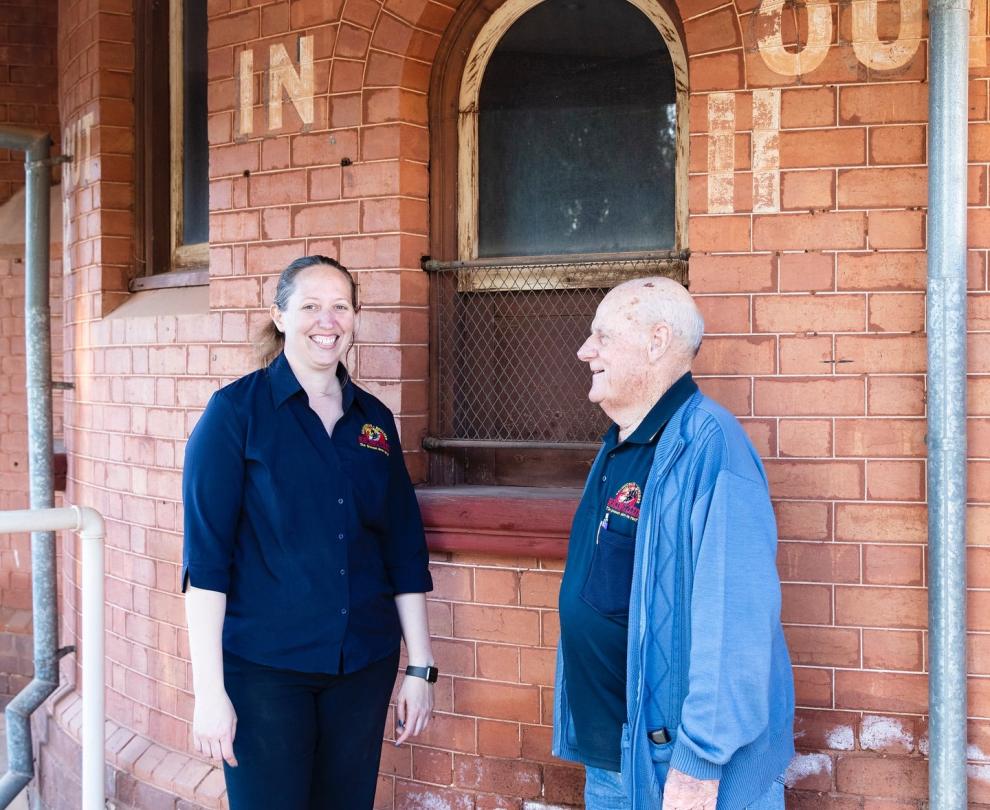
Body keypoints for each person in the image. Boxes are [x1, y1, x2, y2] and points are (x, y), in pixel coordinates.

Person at [182, 255, 437, 810]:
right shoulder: (235, 414)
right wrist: (209, 692)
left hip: (362, 668)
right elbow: (205, 567)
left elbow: (402, 548)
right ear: (279, 316)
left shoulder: (374, 420)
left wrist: (420, 666)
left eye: (341, 306)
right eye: (311, 306)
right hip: (264, 675)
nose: (328, 320)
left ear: (354, 317)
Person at [553, 277, 794, 810]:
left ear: (657, 341)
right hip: (619, 754)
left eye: (602, 336)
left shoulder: (710, 444)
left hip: (680, 769)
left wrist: (699, 763)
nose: (584, 350)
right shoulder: (624, 441)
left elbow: (736, 618)